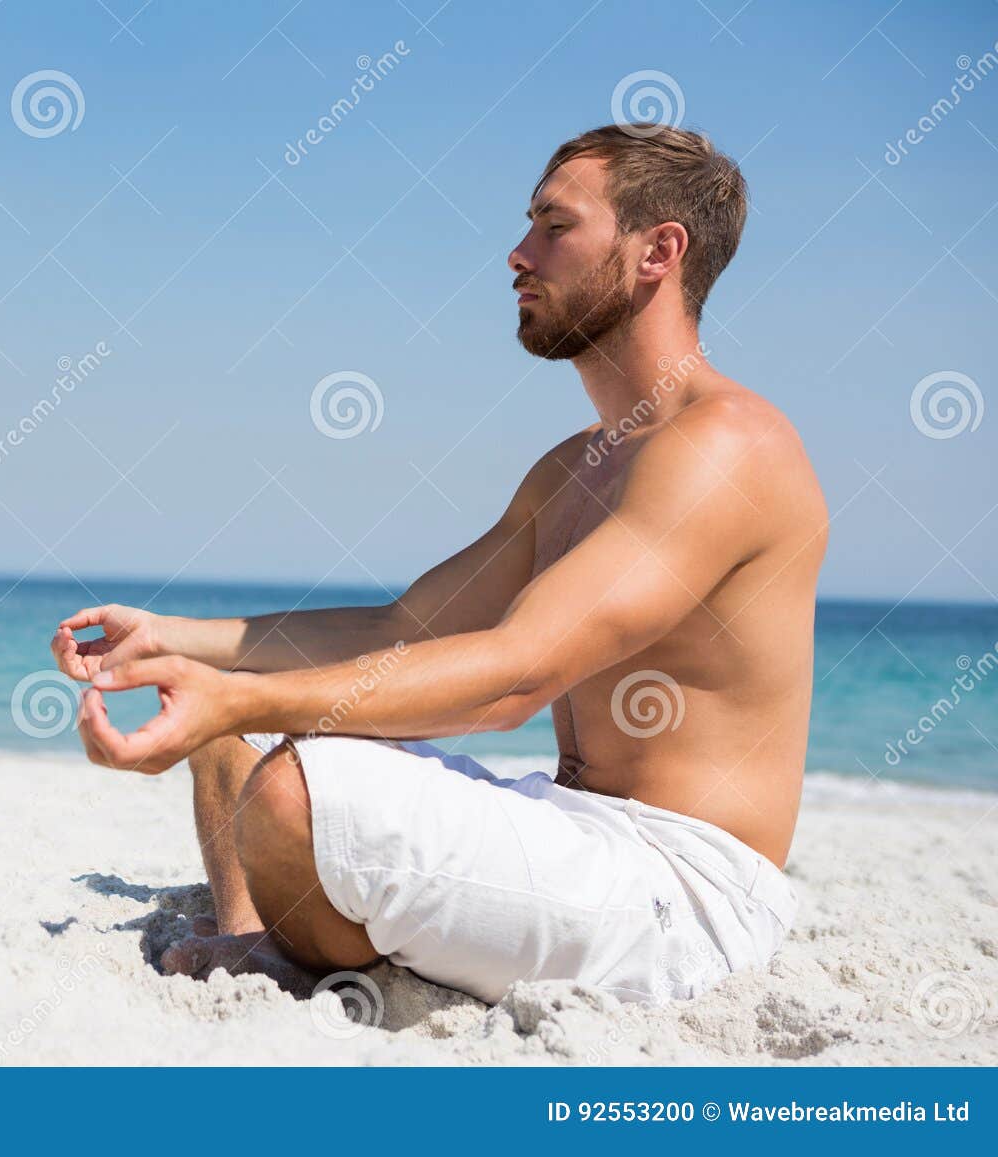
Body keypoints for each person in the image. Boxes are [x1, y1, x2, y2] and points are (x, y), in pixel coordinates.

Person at [50, 124, 827, 1005]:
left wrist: (242, 692)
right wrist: (176, 642)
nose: (518, 254)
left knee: (290, 781)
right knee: (240, 728)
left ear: (659, 250)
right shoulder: (576, 465)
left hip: (682, 887)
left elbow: (515, 678)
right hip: (572, 828)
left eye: (554, 227)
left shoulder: (728, 447)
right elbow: (406, 627)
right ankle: (259, 939)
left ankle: (289, 947)